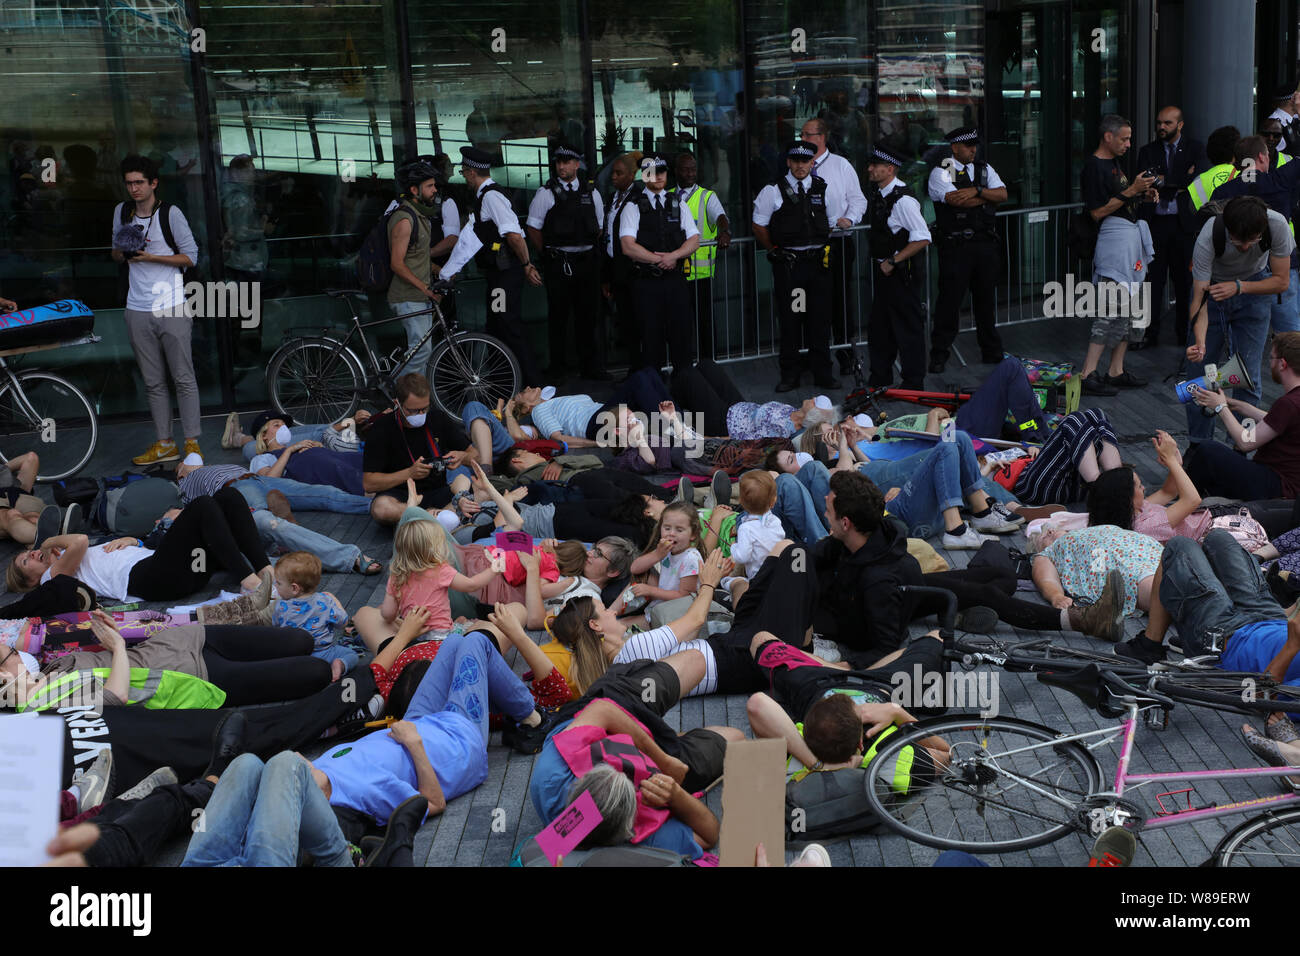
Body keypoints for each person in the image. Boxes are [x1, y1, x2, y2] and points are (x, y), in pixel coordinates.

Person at [310, 629, 542, 824]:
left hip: (417, 724)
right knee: (477, 641)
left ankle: (511, 707)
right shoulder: (362, 792)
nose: (297, 759)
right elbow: (433, 803)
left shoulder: (313, 769)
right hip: (455, 744)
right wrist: (414, 743)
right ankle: (533, 717)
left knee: (453, 641)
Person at [0, 609, 332, 709]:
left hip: (185, 640)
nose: (10, 657)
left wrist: (114, 634)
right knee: (316, 672)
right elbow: (116, 696)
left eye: (8, 654)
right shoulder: (47, 701)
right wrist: (116, 648)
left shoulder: (52, 663)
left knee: (301, 639)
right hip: (194, 676)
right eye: (5, 665)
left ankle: (341, 653)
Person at [6, 490, 273, 603]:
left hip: (186, 567)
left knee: (227, 496)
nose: (31, 553)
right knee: (202, 506)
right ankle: (248, 581)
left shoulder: (63, 560)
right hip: (158, 580)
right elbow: (80, 540)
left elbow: (93, 549)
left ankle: (265, 572)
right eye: (25, 561)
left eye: (26, 553)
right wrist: (49, 540)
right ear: (29, 580)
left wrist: (136, 541)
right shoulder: (48, 580)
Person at [111, 155, 201, 465]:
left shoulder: (170, 214)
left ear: (153, 183)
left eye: (139, 182)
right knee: (152, 381)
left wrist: (151, 257)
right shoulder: (122, 212)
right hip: (137, 306)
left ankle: (192, 442)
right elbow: (114, 253)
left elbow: (191, 257)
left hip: (172, 303)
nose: (133, 188)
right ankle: (165, 443)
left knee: (183, 377)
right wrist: (124, 252)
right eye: (129, 183)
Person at [1184, 195, 1293, 445]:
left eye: (1251, 241)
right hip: (1211, 292)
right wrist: (1198, 341)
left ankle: (1241, 445)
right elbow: (1198, 299)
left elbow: (1281, 281)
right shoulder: (1209, 236)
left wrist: (1239, 287)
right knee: (1199, 376)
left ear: (1261, 231)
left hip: (1254, 289)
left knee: (1248, 374)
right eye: (1237, 241)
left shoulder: (1277, 226)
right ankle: (1199, 445)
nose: (1244, 247)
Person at [1113, 528, 1300, 671]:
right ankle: (1192, 624)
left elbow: (1268, 695)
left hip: (1230, 640)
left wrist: (1291, 648)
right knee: (1219, 538)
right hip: (1272, 620)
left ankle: (1149, 646)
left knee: (1180, 547)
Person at [437, 146, 544, 387]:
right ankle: (503, 381)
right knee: (496, 326)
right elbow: (469, 238)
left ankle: (533, 383)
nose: (463, 176)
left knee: (507, 324)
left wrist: (527, 264)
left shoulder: (492, 197)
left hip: (506, 275)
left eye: (464, 171)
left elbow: (514, 235)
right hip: (497, 276)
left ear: (473, 172)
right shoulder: (483, 197)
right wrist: (449, 271)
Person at [175, 455, 382, 576]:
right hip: (234, 491)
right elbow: (199, 511)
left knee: (324, 492)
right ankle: (348, 557)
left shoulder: (212, 466)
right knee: (268, 523)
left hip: (260, 480)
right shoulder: (185, 484)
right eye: (181, 466)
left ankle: (377, 506)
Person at [352, 501, 503, 651]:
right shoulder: (440, 570)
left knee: (382, 618)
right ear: (433, 548)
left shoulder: (396, 576)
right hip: (442, 637)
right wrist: (493, 570)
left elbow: (388, 614)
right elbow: (471, 584)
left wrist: (392, 615)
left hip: (412, 637)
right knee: (470, 623)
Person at [1078, 115, 1155, 396]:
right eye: (1123, 138)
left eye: (1129, 138)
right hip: (1113, 244)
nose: (1128, 144)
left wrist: (1141, 195)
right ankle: (1087, 373)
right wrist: (1132, 191)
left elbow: (1119, 200)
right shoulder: (1094, 167)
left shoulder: (1114, 164)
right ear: (1107, 137)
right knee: (1109, 311)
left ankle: (1115, 370)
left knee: (1131, 310)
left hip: (1129, 238)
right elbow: (1097, 211)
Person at [752, 140, 838, 392]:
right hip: (791, 268)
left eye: (806, 161)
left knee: (820, 320)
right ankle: (790, 374)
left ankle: (823, 373)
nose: (801, 166)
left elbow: (830, 222)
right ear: (789, 162)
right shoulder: (773, 191)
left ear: (813, 163)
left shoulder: (822, 189)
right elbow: (759, 225)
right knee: (792, 320)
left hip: (817, 267)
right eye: (796, 161)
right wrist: (775, 250)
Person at [927, 126, 1007, 371]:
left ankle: (991, 351)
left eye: (975, 145)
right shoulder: (943, 171)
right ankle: (939, 354)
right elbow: (955, 199)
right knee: (949, 304)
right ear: (954, 148)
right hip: (956, 247)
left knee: (985, 302)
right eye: (967, 146)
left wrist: (977, 190)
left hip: (984, 244)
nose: (973, 150)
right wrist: (984, 196)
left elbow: (1002, 194)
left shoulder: (983, 168)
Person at [1184, 331, 1300, 498]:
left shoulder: (1288, 404)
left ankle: (1185, 502)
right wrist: (1241, 406)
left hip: (1279, 486)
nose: (1269, 363)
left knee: (1208, 451)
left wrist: (1220, 407)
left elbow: (1246, 442)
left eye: (1272, 358)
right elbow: (1279, 421)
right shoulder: (1293, 402)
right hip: (1287, 484)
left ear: (1283, 364)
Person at [526, 145, 606, 381]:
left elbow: (599, 228)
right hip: (559, 264)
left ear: (577, 164)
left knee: (588, 317)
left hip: (586, 263)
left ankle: (590, 368)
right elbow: (533, 227)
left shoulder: (591, 192)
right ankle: (558, 369)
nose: (561, 166)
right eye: (558, 162)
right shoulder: (546, 193)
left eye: (567, 161)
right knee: (559, 318)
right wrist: (549, 254)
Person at [1133, 107, 1207, 350]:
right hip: (1156, 223)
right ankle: (1150, 333)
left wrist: (1164, 180)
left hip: (1182, 225)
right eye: (1159, 123)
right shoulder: (1148, 151)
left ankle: (1183, 333)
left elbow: (1197, 181)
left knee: (1184, 282)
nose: (1161, 127)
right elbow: (1146, 179)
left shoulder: (1195, 148)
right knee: (1153, 282)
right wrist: (1177, 180)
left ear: (1180, 125)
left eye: (1167, 123)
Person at [619, 152, 701, 372]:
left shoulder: (678, 203)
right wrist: (659, 259)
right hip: (647, 284)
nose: (657, 177)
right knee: (651, 343)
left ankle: (684, 394)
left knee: (682, 341)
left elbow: (694, 239)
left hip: (675, 282)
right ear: (644, 176)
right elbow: (628, 246)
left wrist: (673, 256)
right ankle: (655, 398)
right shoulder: (633, 206)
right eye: (651, 173)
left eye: (661, 172)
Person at [1210, 134, 1300, 335]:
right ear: (1261, 157)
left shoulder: (1222, 191)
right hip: (1281, 267)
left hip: (1240, 271)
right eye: (1268, 155)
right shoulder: (1278, 180)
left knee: (1241, 340)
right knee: (1290, 336)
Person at [801, 116, 867, 376]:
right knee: (806, 303)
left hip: (837, 243)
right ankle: (813, 356)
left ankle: (845, 355)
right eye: (802, 135)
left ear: (822, 137)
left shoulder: (841, 166)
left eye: (808, 135)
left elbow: (858, 200)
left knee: (840, 301)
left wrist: (849, 219)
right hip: (806, 248)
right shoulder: (797, 166)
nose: (804, 139)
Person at [362, 372, 475, 523]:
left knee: (474, 488)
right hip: (402, 496)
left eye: (424, 408)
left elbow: (475, 454)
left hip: (438, 490)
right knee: (381, 509)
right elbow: (368, 483)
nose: (421, 414)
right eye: (413, 411)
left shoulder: (437, 418)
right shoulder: (381, 428)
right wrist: (409, 473)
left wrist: (463, 457)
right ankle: (439, 518)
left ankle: (430, 519)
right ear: (397, 404)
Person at [386, 160, 461, 379]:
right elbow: (397, 263)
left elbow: (416, 257)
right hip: (408, 296)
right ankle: (397, 393)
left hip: (419, 295)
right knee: (421, 352)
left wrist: (439, 270)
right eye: (429, 186)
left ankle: (411, 399)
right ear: (413, 190)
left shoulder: (419, 216)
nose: (435, 190)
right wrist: (426, 289)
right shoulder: (404, 219)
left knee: (422, 353)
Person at [864, 145, 931, 390]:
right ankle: (880, 378)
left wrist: (894, 261)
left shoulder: (903, 201)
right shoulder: (880, 194)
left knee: (908, 329)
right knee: (880, 328)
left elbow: (923, 237)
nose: (869, 169)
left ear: (889, 169)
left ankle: (914, 384)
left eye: (875, 166)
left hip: (900, 276)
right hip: (886, 275)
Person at [671, 151, 731, 362]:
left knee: (704, 323)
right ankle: (684, 364)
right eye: (686, 169)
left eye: (693, 169)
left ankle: (709, 363)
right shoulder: (669, 196)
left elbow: (721, 217)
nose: (690, 173)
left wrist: (725, 231)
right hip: (675, 272)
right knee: (679, 323)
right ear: (676, 171)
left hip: (701, 274)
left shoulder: (707, 196)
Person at [268, 551, 354, 681]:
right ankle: (340, 665)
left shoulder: (280, 606)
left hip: (294, 656)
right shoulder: (325, 601)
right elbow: (343, 622)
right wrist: (336, 602)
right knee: (351, 654)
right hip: (325, 653)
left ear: (294, 588)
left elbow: (276, 628)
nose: (275, 586)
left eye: (278, 583)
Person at [601, 152, 645, 371]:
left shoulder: (638, 197)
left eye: (619, 173)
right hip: (616, 268)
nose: (614, 177)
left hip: (632, 271)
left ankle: (641, 369)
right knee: (626, 322)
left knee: (637, 322)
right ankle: (635, 368)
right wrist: (607, 277)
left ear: (631, 174)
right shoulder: (612, 198)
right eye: (613, 173)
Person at [0, 451, 43, 545]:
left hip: (16, 493)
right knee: (12, 515)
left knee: (31, 457)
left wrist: (3, 470)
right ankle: (49, 538)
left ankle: (35, 540)